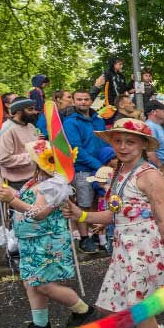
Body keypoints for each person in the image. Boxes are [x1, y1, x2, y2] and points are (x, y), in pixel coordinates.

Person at [62, 118, 164, 328]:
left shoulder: (150, 175)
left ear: (142, 145)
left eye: (130, 141)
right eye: (118, 141)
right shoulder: (118, 171)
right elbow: (116, 213)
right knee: (110, 306)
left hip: (144, 247)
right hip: (123, 246)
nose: (123, 146)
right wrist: (80, 214)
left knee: (139, 309)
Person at [0, 140, 96, 328]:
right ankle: (40, 323)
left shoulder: (55, 184)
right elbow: (27, 199)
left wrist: (11, 200)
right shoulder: (38, 180)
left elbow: (39, 213)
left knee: (43, 284)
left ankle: (83, 310)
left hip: (46, 241)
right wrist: (5, 188)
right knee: (31, 281)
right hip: (32, 240)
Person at [64, 90, 111, 254]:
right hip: (83, 169)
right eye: (79, 99)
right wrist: (98, 165)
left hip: (101, 167)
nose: (83, 102)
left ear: (91, 101)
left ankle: (99, 235)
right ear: (74, 101)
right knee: (84, 204)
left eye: (86, 99)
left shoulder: (98, 120)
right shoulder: (70, 122)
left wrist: (108, 161)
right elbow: (76, 148)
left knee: (99, 203)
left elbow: (106, 141)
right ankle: (85, 238)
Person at [0, 97, 41, 190]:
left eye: (34, 109)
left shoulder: (31, 126)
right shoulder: (6, 129)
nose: (35, 112)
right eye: (30, 109)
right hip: (17, 184)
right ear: (19, 111)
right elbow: (4, 159)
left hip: (35, 178)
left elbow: (36, 148)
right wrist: (34, 156)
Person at [143, 100, 164, 173]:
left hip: (162, 169)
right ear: (154, 112)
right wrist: (161, 166)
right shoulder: (150, 126)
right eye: (163, 110)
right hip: (158, 170)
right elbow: (150, 152)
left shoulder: (156, 125)